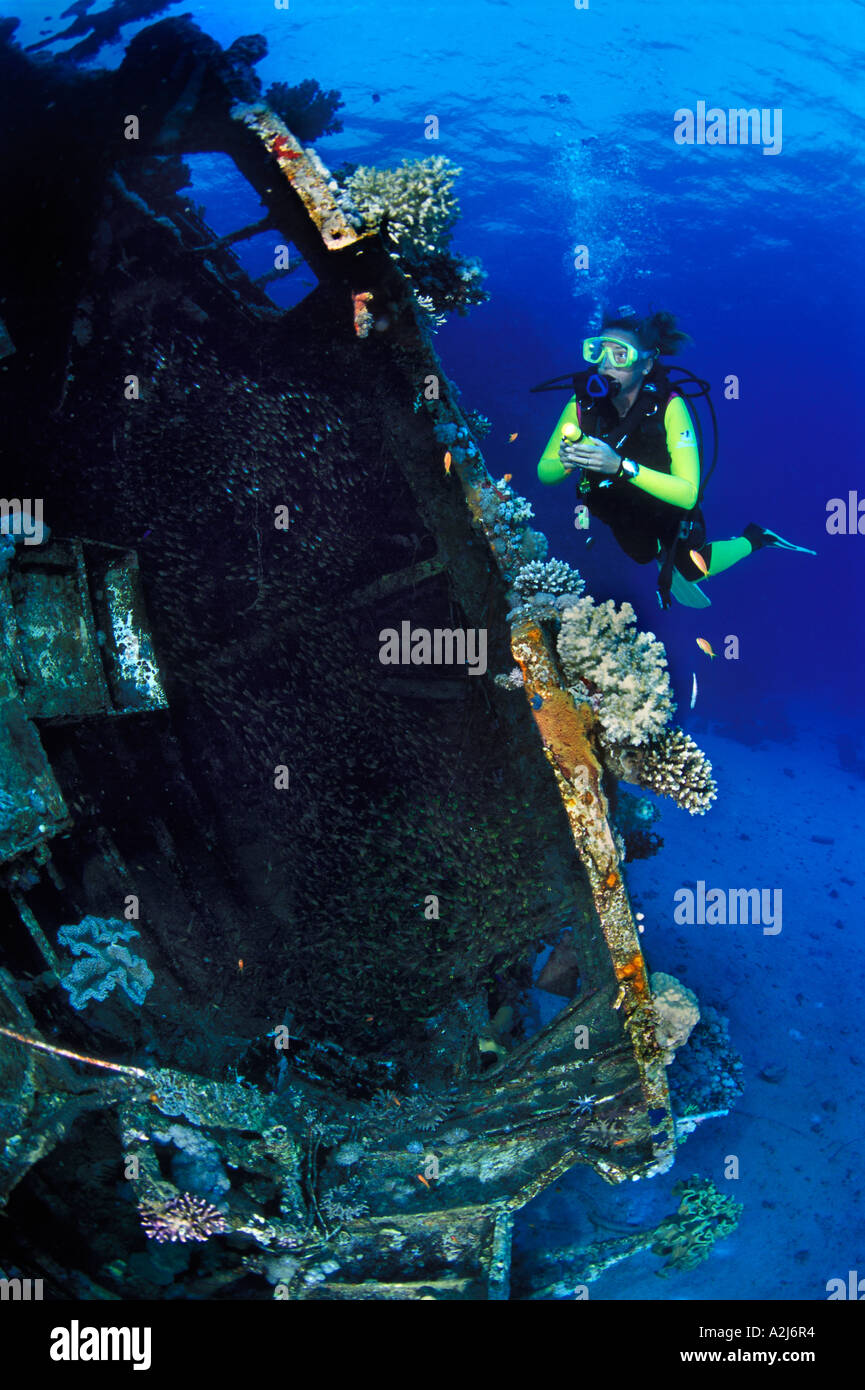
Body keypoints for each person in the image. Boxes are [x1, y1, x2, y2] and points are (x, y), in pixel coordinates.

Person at [536, 308, 814, 607]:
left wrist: (619, 466)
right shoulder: (582, 406)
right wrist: (566, 461)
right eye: (599, 352)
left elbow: (687, 494)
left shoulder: (670, 407)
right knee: (640, 554)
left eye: (620, 355)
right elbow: (544, 471)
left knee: (693, 568)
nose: (606, 365)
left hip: (665, 504)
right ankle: (658, 549)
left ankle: (756, 538)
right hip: (617, 506)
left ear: (646, 363)